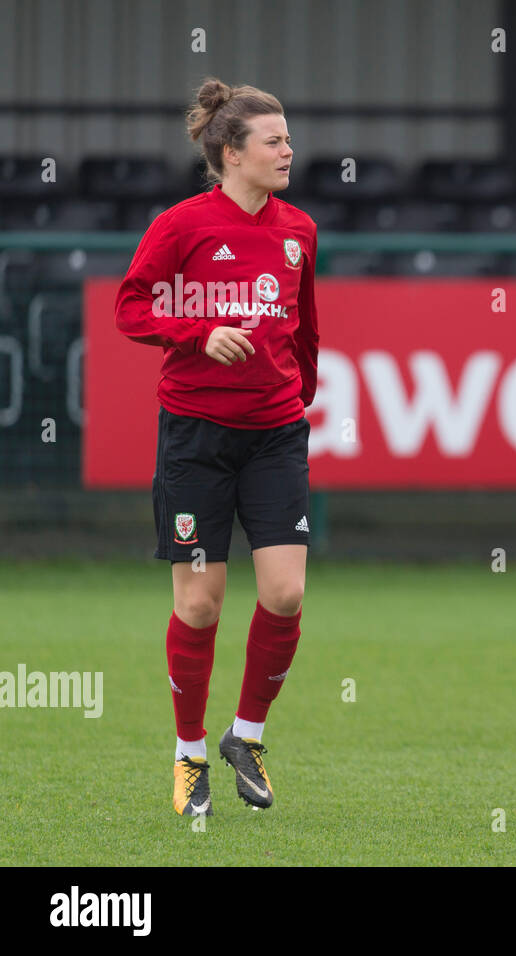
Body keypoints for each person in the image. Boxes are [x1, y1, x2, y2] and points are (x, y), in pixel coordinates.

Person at [115, 77, 319, 814]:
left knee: (286, 593)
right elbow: (131, 307)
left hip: (275, 436)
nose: (288, 149)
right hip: (196, 438)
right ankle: (190, 753)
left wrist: (302, 394)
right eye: (274, 140)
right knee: (200, 606)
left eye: (288, 137)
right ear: (231, 154)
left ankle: (248, 735)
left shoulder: (299, 229)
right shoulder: (181, 226)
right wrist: (198, 333)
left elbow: (305, 328)